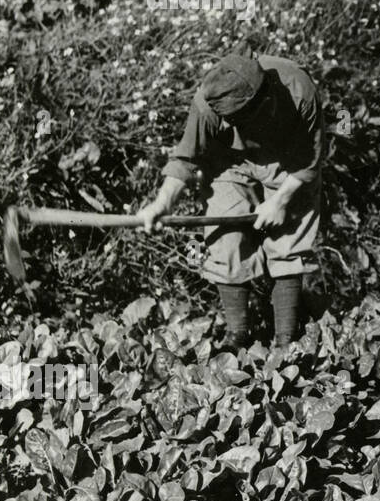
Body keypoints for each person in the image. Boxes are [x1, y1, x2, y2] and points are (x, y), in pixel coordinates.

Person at [137, 54, 326, 349]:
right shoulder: (207, 102)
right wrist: (162, 203)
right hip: (230, 162)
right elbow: (185, 159)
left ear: (263, 103)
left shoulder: (300, 91)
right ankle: (238, 336)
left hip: (289, 162)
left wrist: (280, 201)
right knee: (226, 238)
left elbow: (310, 161)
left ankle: (287, 342)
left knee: (288, 241)